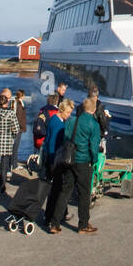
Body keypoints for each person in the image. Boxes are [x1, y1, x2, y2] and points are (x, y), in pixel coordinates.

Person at [49, 98, 102, 235]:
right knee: (84, 194)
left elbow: (66, 138)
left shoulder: (72, 121)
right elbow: (94, 145)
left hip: (70, 160)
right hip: (84, 162)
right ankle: (83, 224)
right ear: (94, 110)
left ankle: (54, 223)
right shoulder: (94, 124)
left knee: (65, 191)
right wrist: (94, 160)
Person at [42, 98, 75, 229]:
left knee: (57, 188)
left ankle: (60, 213)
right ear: (62, 110)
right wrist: (52, 161)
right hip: (54, 158)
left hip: (52, 156)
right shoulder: (57, 123)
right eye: (68, 112)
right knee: (56, 189)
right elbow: (52, 143)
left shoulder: (55, 119)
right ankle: (50, 216)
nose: (69, 115)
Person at [0, 93, 20, 196]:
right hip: (6, 141)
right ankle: (2, 187)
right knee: (4, 166)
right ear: (7, 103)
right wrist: (12, 134)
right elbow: (16, 129)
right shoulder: (11, 114)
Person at [9, 88, 27, 178]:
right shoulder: (19, 104)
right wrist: (21, 127)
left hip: (17, 128)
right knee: (15, 146)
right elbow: (19, 117)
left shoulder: (15, 103)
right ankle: (14, 164)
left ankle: (13, 163)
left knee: (14, 146)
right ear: (22, 96)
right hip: (18, 128)